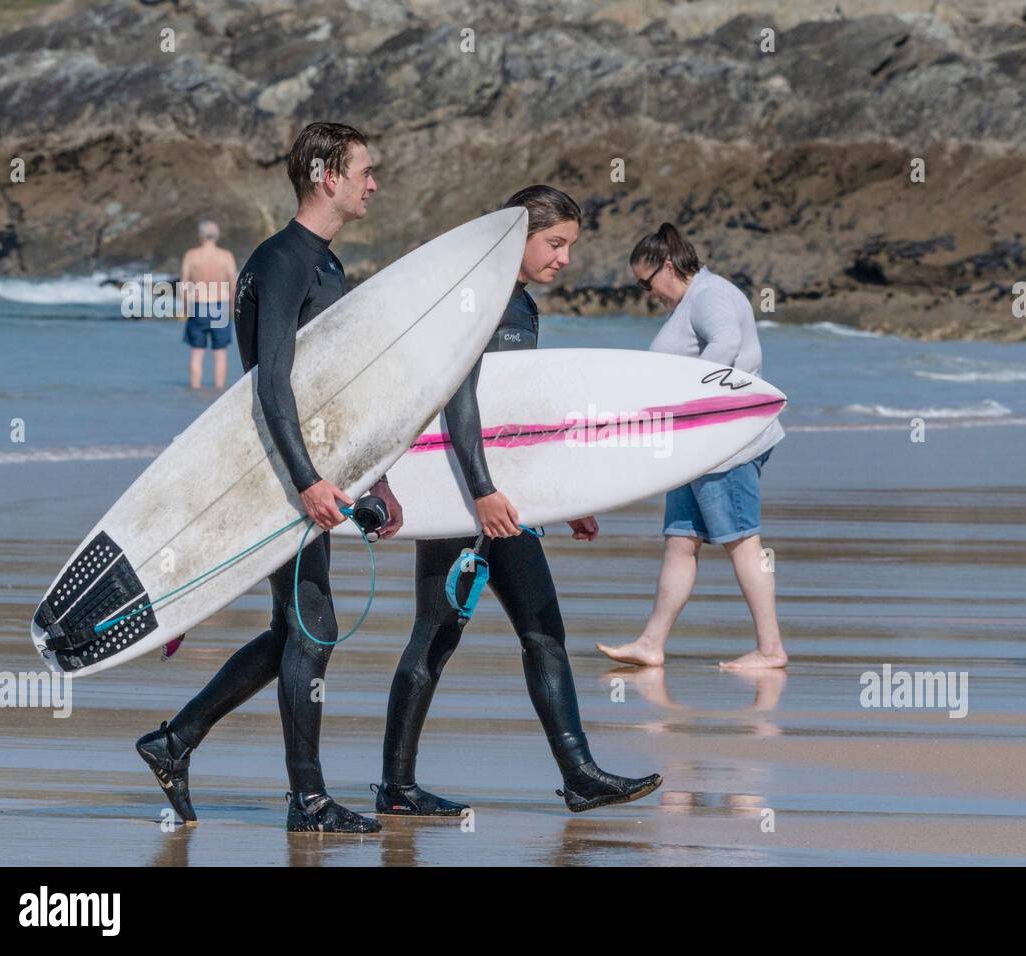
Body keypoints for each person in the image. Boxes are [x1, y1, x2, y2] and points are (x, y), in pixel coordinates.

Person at [136, 122, 400, 832]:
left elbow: (331, 391)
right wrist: (307, 480)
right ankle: (306, 800)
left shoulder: (325, 264)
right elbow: (271, 387)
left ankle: (176, 741)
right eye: (364, 171)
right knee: (313, 628)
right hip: (283, 475)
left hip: (310, 469)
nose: (373, 184)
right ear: (327, 177)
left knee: (295, 629)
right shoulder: (281, 262)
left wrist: (373, 478)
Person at [373, 185, 663, 816]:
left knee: (543, 630)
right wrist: (480, 492)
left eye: (570, 246)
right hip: (462, 496)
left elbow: (512, 415)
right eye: (554, 243)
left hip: (504, 500)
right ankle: (397, 787)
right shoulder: (478, 300)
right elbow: (458, 399)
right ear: (518, 235)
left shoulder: (520, 304)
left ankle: (579, 775)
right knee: (436, 634)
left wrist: (564, 496)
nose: (565, 258)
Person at [597, 223, 787, 671]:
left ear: (668, 266)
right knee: (681, 541)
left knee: (743, 543)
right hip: (696, 448)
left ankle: (770, 649)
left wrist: (686, 397)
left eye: (646, 283)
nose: (647, 294)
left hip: (727, 445)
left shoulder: (709, 294)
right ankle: (651, 643)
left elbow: (727, 343)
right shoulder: (694, 300)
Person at [179, 220, 237, 390]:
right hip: (220, 305)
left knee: (197, 352)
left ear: (200, 235)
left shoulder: (191, 255)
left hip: (198, 305)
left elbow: (184, 283)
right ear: (217, 236)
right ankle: (219, 392)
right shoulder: (226, 256)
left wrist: (185, 307)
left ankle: (195, 391)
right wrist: (233, 307)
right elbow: (233, 285)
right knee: (220, 353)